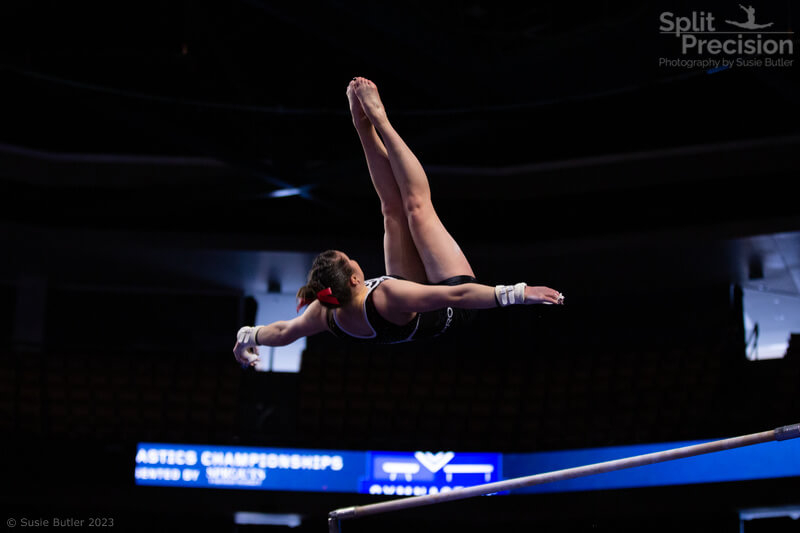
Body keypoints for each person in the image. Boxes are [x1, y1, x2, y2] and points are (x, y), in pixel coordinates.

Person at [233, 77, 563, 368]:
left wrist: (248, 336)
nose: (354, 258)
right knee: (417, 208)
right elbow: (458, 297)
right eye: (350, 261)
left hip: (410, 303)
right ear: (352, 280)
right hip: (453, 304)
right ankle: (381, 120)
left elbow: (283, 331)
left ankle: (361, 125)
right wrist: (519, 293)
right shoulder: (387, 296)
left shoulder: (326, 312)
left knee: (391, 210)